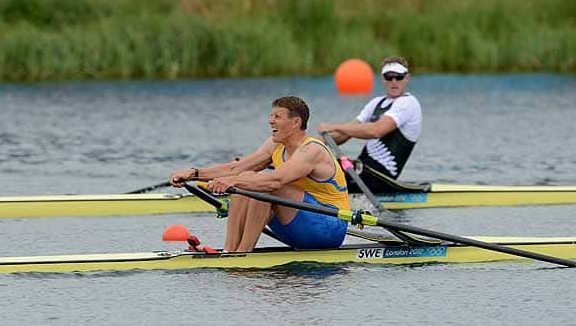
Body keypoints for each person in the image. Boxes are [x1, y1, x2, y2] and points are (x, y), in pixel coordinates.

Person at [170, 96, 350, 253]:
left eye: (277, 117)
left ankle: (243, 253)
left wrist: (234, 181)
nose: (271, 121)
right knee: (247, 176)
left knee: (259, 184)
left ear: (296, 122)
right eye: (271, 116)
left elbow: (275, 181)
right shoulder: (275, 144)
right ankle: (230, 250)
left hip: (328, 228)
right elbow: (236, 169)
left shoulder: (311, 150)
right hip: (299, 226)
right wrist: (194, 173)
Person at [317, 56, 422, 191]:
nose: (394, 81)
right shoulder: (376, 103)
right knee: (316, 163)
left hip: (380, 179)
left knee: (318, 168)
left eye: (399, 77)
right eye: (389, 77)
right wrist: (311, 143)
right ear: (383, 78)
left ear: (407, 78)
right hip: (361, 171)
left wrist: (333, 126)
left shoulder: (408, 103)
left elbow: (376, 131)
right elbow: (344, 134)